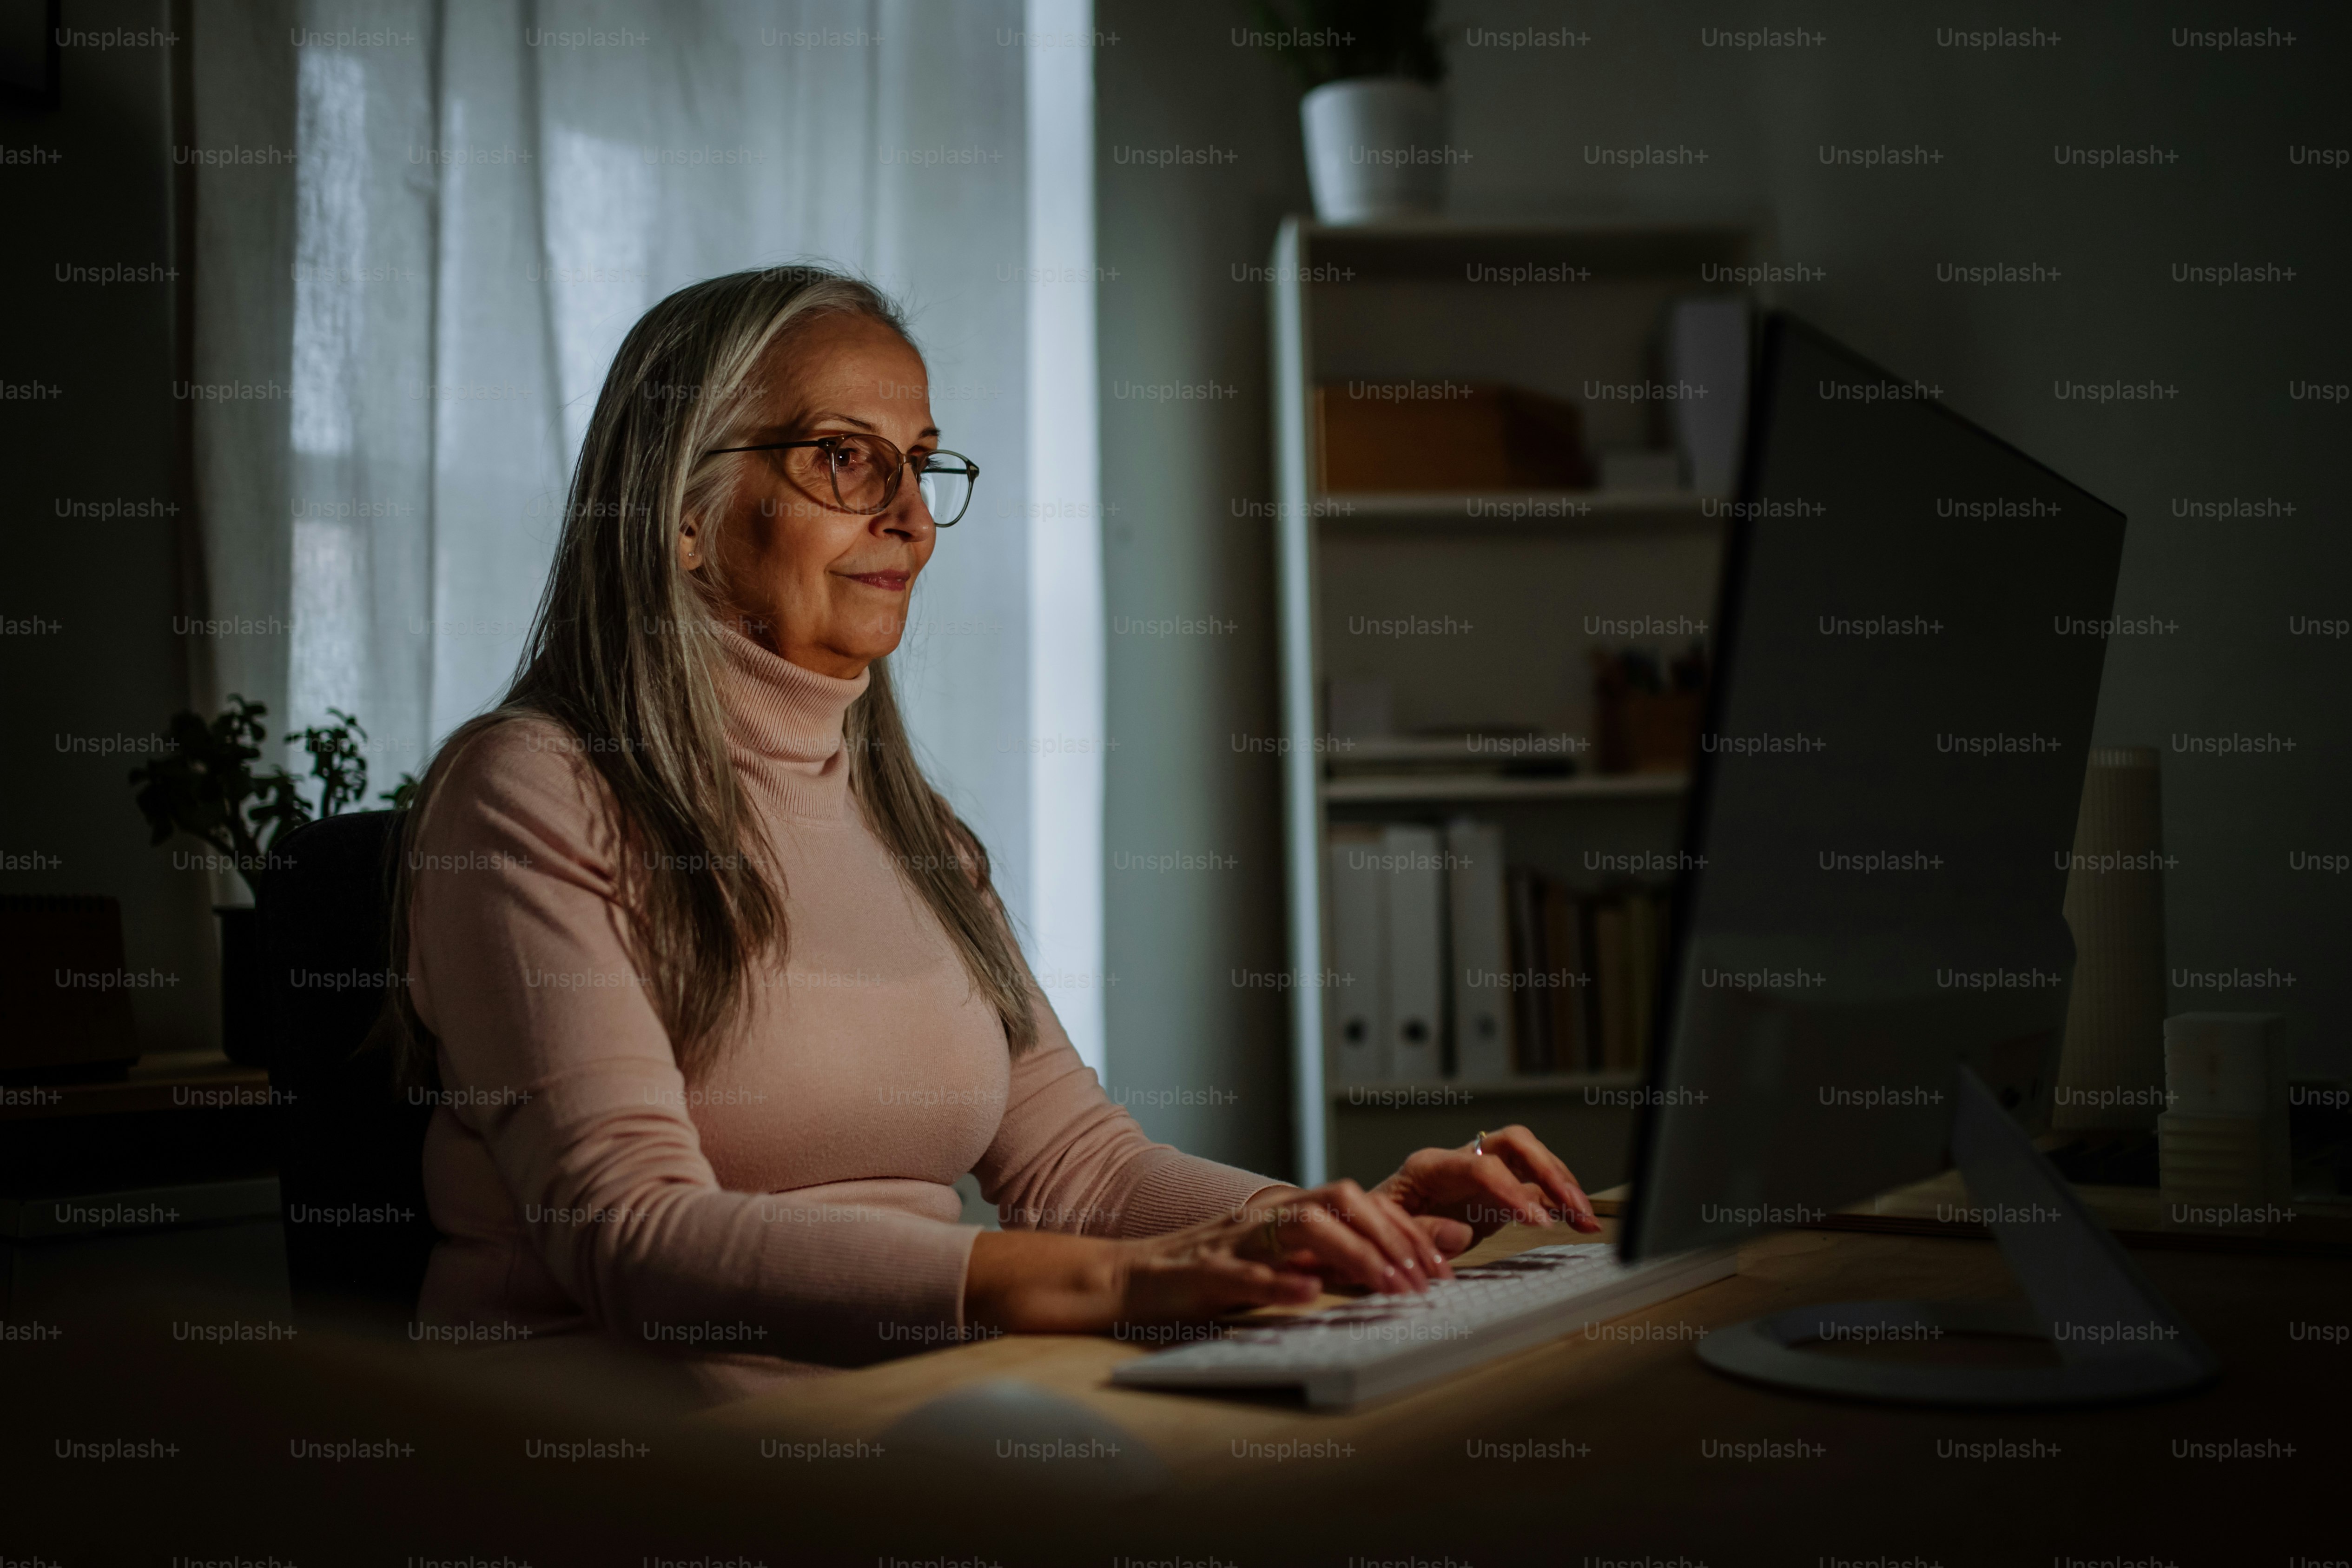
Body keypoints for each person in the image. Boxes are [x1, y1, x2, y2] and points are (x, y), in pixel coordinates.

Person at [390, 264, 1599, 1405]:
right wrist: (1104, 1286)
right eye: (842, 460)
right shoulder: (529, 792)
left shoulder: (921, 833)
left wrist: (1317, 1225)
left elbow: (1081, 1169)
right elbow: (633, 1239)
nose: (912, 520)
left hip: (915, 1423)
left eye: (918, 466)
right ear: (681, 515)